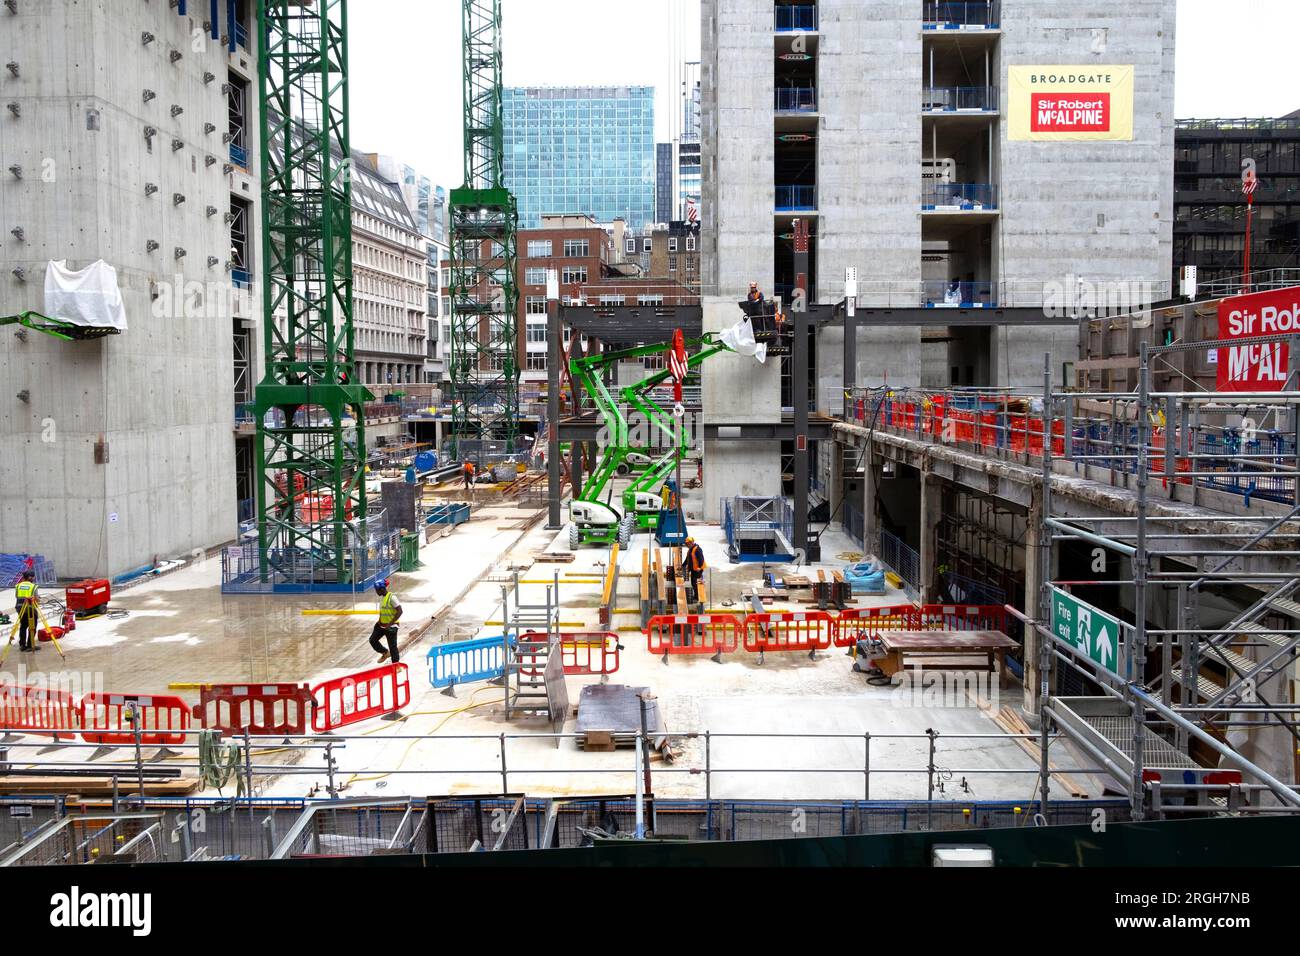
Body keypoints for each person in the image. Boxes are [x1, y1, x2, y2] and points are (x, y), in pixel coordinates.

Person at [370, 579, 403, 664]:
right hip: (381, 625)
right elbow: (383, 611)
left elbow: (400, 611)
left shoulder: (392, 597)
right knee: (372, 640)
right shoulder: (383, 598)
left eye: (377, 590)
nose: (376, 592)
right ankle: (385, 653)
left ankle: (396, 666)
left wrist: (390, 623)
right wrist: (379, 621)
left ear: (382, 589)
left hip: (391, 627)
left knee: (393, 647)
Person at [14, 571, 37, 653]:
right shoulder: (33, 586)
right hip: (30, 608)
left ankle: (22, 645)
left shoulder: (18, 586)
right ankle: (30, 645)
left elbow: (17, 596)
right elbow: (36, 598)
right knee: (32, 627)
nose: (34, 578)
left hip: (20, 608)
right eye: (33, 577)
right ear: (30, 577)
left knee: (23, 626)